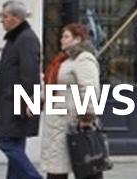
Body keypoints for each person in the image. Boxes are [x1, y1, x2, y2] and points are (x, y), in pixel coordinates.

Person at [0, 0, 42, 179]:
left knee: (7, 143)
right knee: (15, 144)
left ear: (16, 18)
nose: (1, 20)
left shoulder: (26, 39)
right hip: (11, 101)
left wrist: (27, 102)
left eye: (5, 16)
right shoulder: (16, 38)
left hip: (17, 103)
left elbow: (30, 74)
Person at [40, 22, 103, 179]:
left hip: (73, 123)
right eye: (62, 36)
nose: (62, 39)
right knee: (56, 170)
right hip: (57, 124)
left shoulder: (84, 59)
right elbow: (52, 85)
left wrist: (87, 117)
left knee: (86, 167)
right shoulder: (63, 61)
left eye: (66, 36)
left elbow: (89, 89)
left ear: (78, 39)